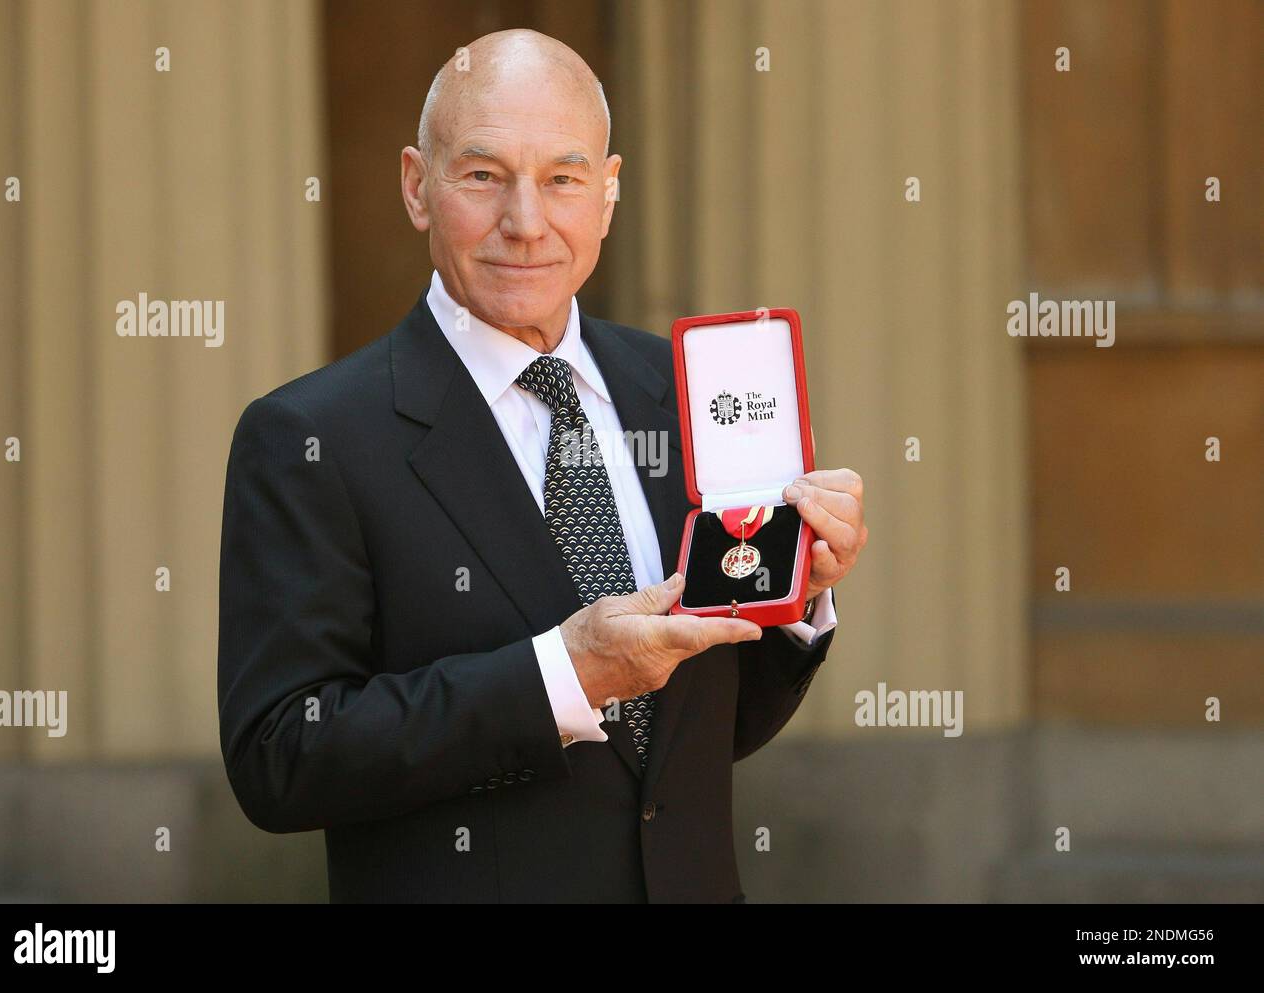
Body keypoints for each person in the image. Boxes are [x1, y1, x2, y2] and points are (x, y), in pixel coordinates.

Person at [217, 28, 868, 903]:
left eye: (563, 178)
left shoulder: (684, 390)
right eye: (483, 175)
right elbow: (280, 756)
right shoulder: (310, 437)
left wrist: (799, 596)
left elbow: (689, 740)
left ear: (607, 194)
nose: (526, 223)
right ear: (417, 185)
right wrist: (561, 674)